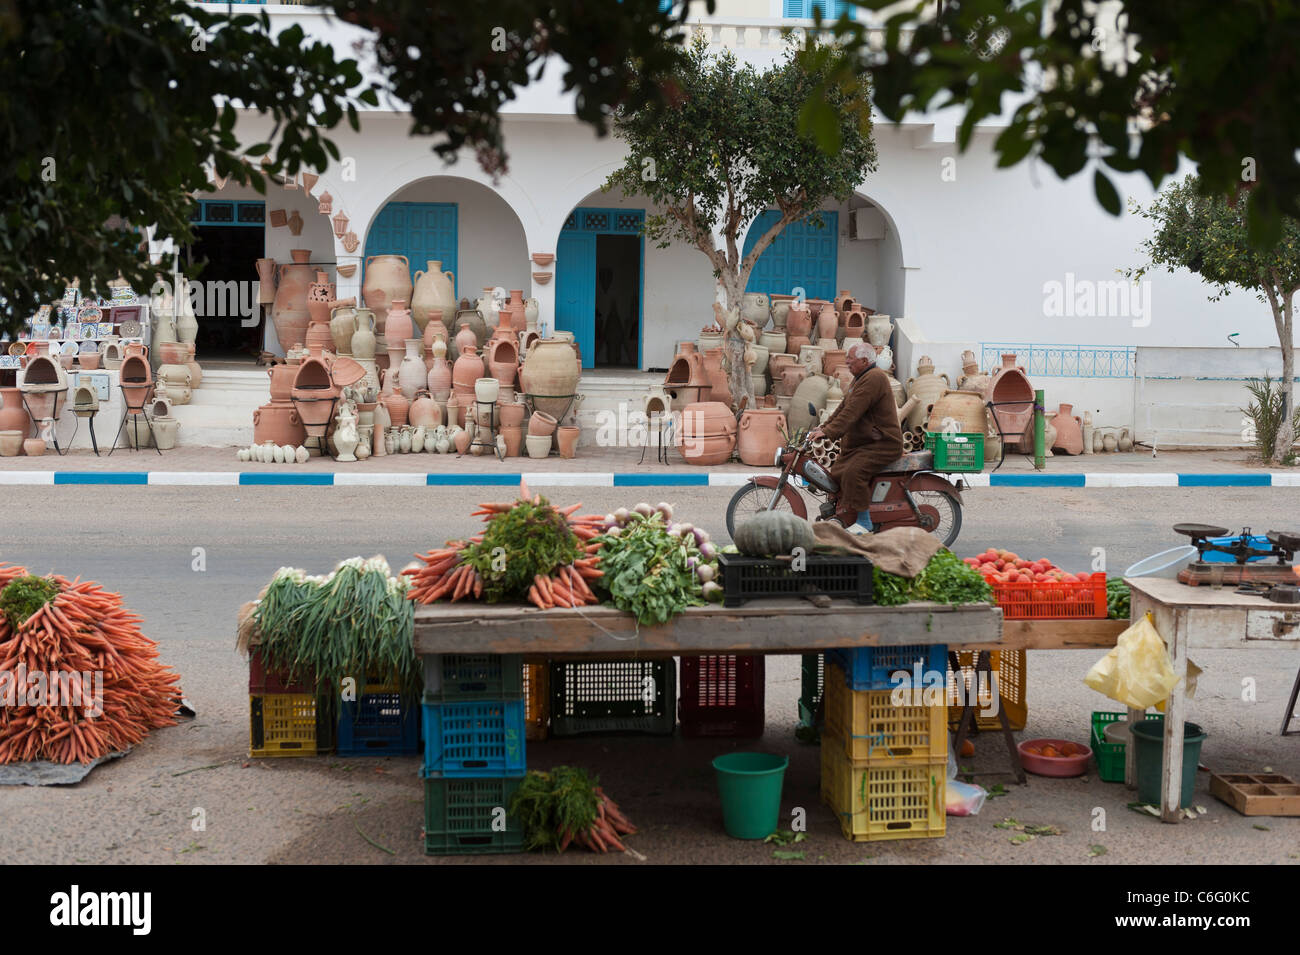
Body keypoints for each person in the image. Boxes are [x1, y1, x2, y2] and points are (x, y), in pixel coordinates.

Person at [807, 341, 904, 529]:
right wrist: (823, 427)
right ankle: (845, 512)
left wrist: (828, 432)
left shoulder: (874, 378)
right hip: (867, 443)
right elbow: (843, 406)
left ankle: (864, 522)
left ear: (865, 360)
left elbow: (852, 412)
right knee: (839, 470)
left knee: (854, 472)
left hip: (883, 444)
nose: (847, 364)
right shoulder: (861, 377)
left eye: (851, 361)